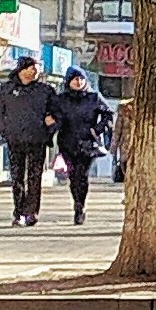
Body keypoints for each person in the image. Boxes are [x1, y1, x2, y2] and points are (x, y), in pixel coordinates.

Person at [0, 55, 56, 227]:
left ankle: (31, 212)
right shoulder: (6, 90)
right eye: (31, 68)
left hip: (37, 139)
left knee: (35, 177)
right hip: (15, 140)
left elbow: (56, 112)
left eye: (36, 68)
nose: (34, 71)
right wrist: (6, 131)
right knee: (17, 177)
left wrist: (50, 127)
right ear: (21, 69)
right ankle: (18, 211)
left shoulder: (45, 91)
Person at [53, 64, 115, 228]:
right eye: (75, 79)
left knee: (82, 175)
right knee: (73, 177)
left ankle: (80, 208)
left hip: (88, 143)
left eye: (81, 79)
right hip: (67, 142)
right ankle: (77, 202)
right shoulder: (61, 100)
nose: (78, 82)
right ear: (69, 81)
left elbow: (108, 113)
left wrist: (97, 129)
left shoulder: (93, 97)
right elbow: (53, 116)